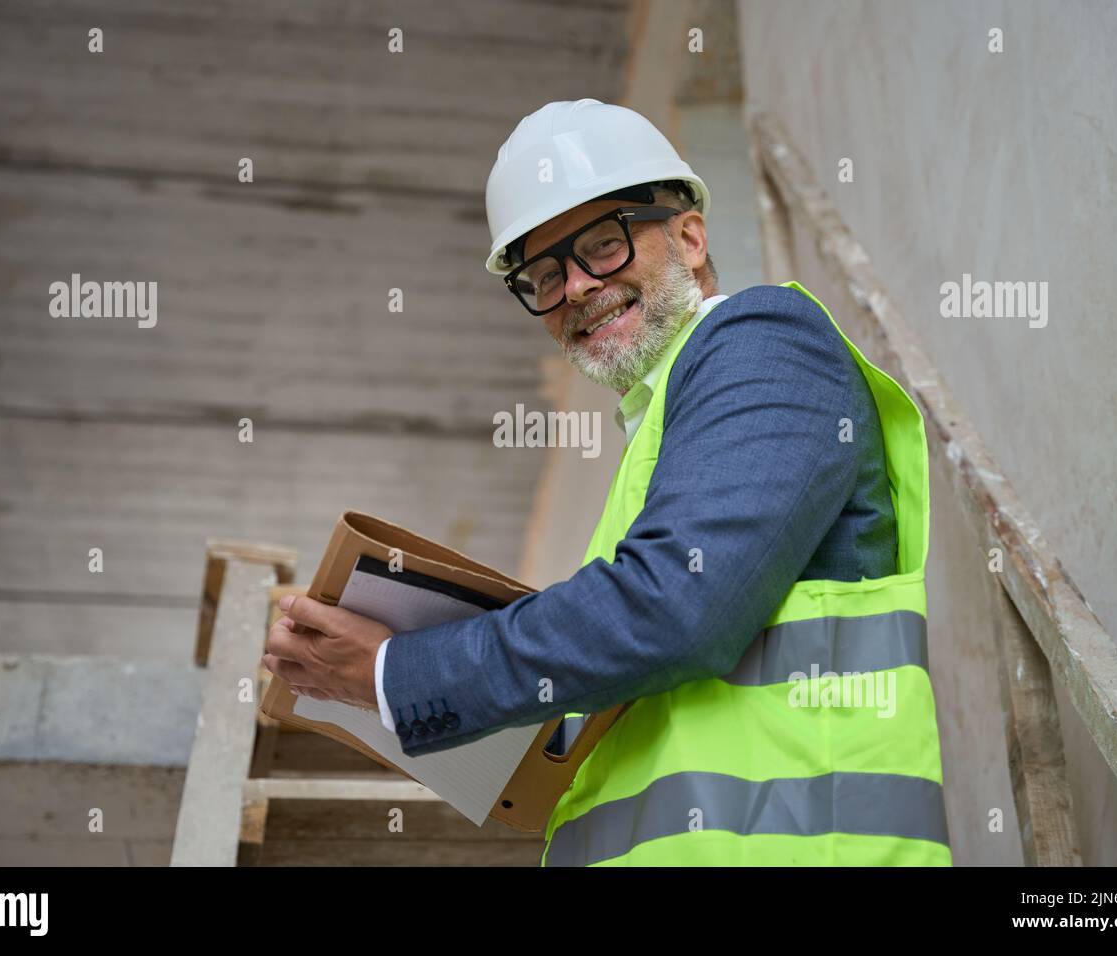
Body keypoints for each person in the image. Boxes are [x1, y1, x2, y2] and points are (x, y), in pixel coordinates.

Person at [263, 98, 951, 866]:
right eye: (545, 274)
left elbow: (678, 609)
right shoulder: (656, 447)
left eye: (604, 243)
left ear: (689, 236)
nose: (578, 288)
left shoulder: (763, 340)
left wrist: (400, 673)